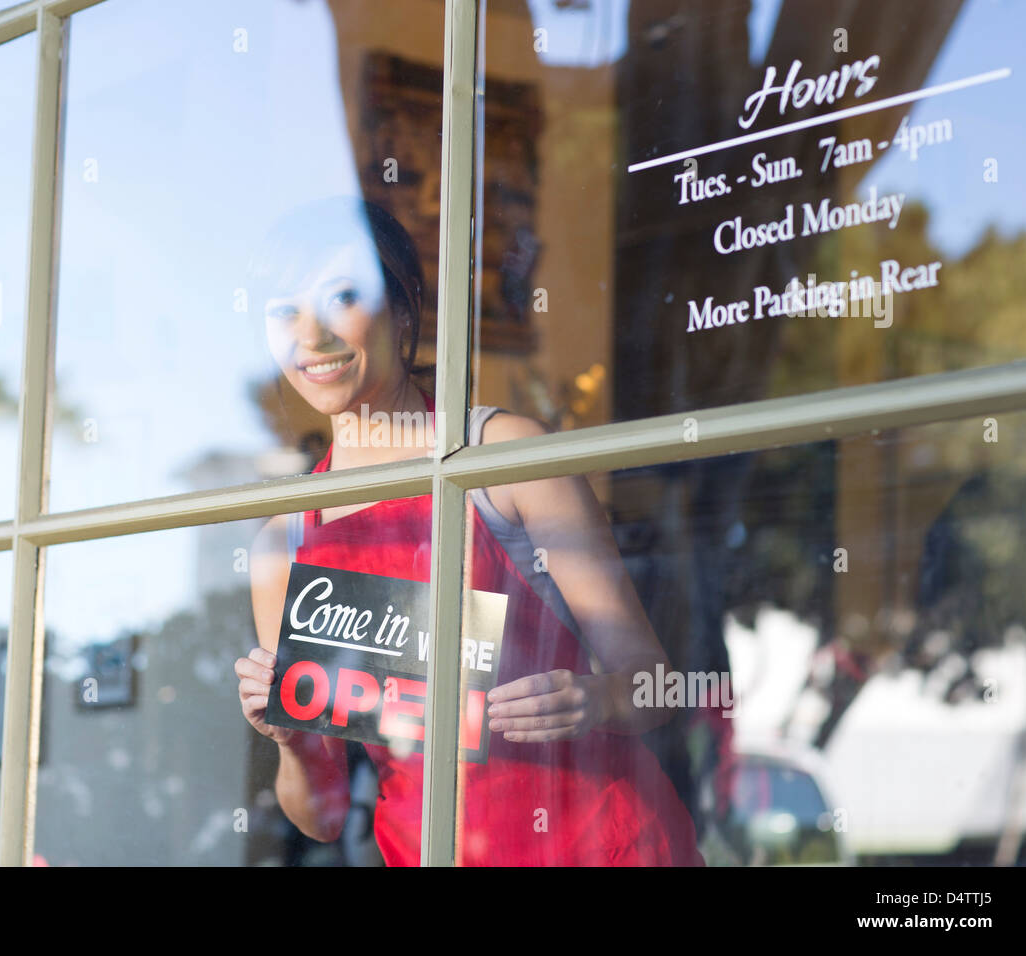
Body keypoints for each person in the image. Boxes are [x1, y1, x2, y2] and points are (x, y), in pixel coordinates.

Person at [234, 196, 703, 866]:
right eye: (284, 311)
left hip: (609, 845)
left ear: (402, 311)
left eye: (342, 296)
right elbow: (323, 818)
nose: (311, 336)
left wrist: (597, 698)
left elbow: (658, 684)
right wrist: (289, 740)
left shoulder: (504, 455)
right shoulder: (281, 547)